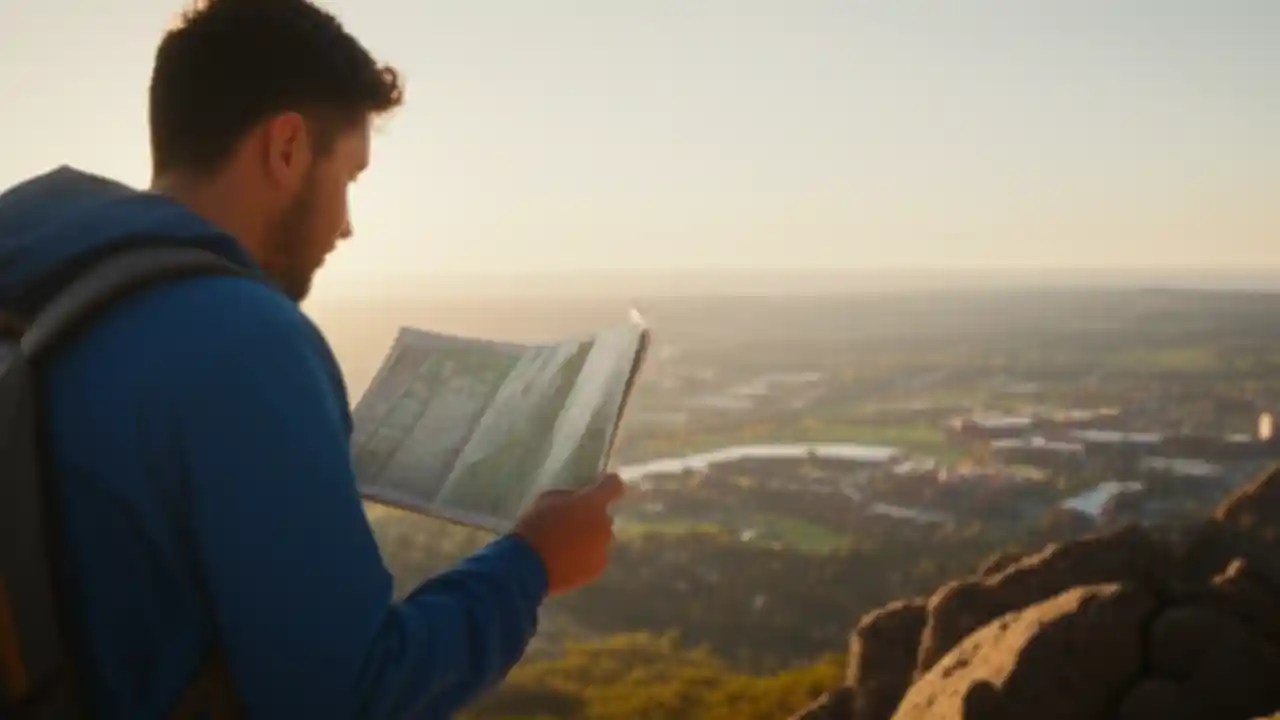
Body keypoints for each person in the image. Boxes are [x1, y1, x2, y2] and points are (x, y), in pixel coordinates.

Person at [0, 0, 622, 717]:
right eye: (349, 177)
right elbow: (350, 695)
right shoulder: (239, 340)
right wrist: (533, 563)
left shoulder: (33, 282)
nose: (348, 225)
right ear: (287, 147)